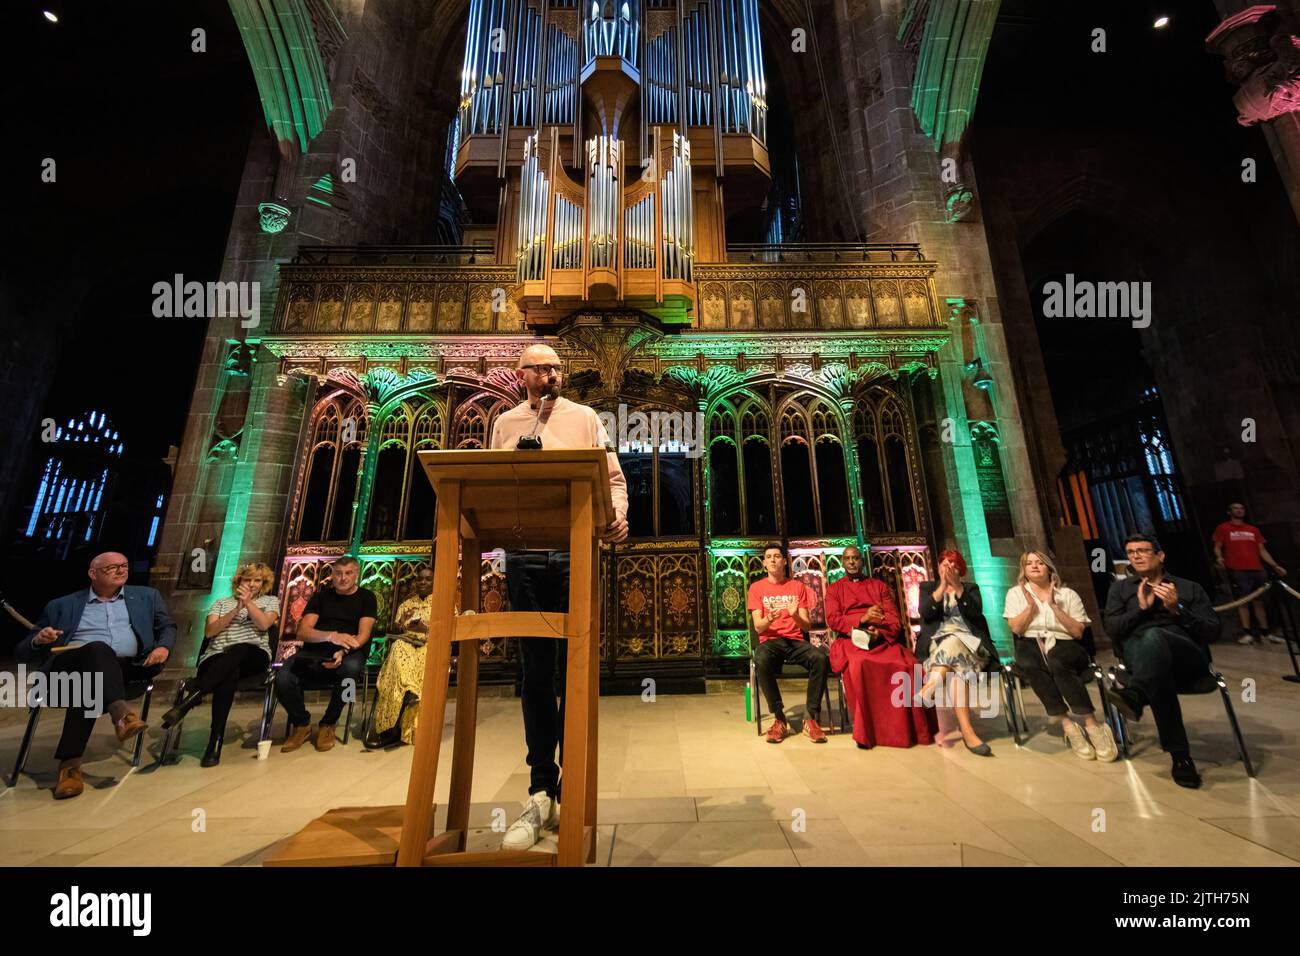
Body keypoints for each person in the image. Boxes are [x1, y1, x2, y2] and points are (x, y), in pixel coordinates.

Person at [490, 343, 628, 851]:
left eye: (556, 368)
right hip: (523, 554)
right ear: (521, 373)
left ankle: (571, 784)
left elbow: (611, 476)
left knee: (575, 666)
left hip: (573, 551)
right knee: (534, 672)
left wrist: (616, 513)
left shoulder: (586, 417)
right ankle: (540, 785)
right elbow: (489, 484)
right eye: (540, 368)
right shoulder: (505, 424)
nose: (550, 375)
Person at [14, 552, 174, 799]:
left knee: (89, 682)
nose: (121, 570)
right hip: (66, 669)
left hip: (125, 671)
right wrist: (38, 639)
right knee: (96, 650)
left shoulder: (146, 597)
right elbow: (23, 652)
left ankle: (69, 766)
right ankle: (121, 715)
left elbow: (167, 627)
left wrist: (163, 647)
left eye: (124, 566)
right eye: (113, 567)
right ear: (93, 573)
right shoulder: (62, 605)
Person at [1102, 533, 1220, 788]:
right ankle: (1181, 758)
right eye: (1132, 552)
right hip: (1139, 656)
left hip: (1186, 656)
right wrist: (1140, 610)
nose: (1137, 556)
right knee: (1157, 673)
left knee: (1156, 640)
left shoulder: (1188, 587)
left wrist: (1178, 609)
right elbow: (1111, 629)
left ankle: (1136, 695)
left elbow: (1212, 631)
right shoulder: (1120, 590)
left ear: (1160, 555)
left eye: (1143, 550)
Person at [160, 562, 279, 766]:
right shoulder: (221, 603)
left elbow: (264, 624)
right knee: (228, 673)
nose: (251, 584)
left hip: (253, 656)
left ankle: (190, 701)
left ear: (264, 583)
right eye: (247, 579)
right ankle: (214, 741)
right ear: (238, 581)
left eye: (257, 580)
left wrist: (249, 604)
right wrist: (236, 609)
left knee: (239, 649)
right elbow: (210, 632)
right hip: (217, 656)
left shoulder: (270, 601)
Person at [1003, 550, 1117, 761]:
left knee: (1057, 660)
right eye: (1029, 563)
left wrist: (1054, 607)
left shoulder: (1068, 595)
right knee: (1029, 662)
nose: (1035, 566)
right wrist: (1030, 607)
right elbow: (1017, 629)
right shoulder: (1015, 594)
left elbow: (1077, 632)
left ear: (1049, 568)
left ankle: (1092, 725)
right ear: (1024, 570)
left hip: (1065, 643)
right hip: (1031, 642)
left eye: (1040, 562)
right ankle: (1068, 725)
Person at [825, 545, 934, 748]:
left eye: (855, 558)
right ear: (842, 561)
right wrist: (862, 619)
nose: (851, 562)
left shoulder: (879, 587)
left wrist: (879, 632)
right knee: (860, 664)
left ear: (862, 561)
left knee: (908, 666)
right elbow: (832, 620)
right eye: (847, 558)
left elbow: (893, 617)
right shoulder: (834, 589)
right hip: (851, 639)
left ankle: (912, 730)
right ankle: (867, 732)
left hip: (881, 638)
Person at [274, 555, 376, 753]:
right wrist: (331, 636)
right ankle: (301, 723)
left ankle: (329, 723)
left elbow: (364, 634)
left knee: (351, 675)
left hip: (350, 651)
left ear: (356, 575)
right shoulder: (321, 597)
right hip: (316, 649)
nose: (343, 578)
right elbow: (302, 632)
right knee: (283, 678)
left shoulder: (366, 597)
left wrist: (343, 650)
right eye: (338, 573)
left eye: (348, 573)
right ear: (332, 575)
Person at [914, 549, 998, 756]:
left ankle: (929, 688)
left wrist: (958, 587)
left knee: (956, 642)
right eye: (944, 565)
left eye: (952, 565)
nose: (947, 568)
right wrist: (943, 587)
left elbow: (975, 613)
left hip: (971, 645)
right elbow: (924, 612)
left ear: (960, 569)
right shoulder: (928, 588)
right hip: (938, 643)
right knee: (958, 663)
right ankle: (968, 732)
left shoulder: (970, 589)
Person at [748, 542, 826, 745]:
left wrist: (794, 616)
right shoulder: (756, 588)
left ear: (784, 561)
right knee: (760, 658)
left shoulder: (798, 587)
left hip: (794, 641)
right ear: (764, 563)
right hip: (771, 642)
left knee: (819, 658)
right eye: (769, 557)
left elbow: (807, 626)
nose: (773, 559)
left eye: (777, 556)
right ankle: (779, 718)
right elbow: (758, 627)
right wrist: (770, 619)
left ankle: (810, 718)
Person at [365, 565, 433, 749]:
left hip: (431, 646)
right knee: (397, 649)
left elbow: (451, 632)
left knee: (425, 657)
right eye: (420, 579)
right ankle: (389, 727)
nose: (423, 582)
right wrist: (402, 625)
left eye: (428, 579)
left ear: (435, 582)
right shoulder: (406, 604)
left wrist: (425, 629)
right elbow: (395, 628)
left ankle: (409, 700)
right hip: (407, 643)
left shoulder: (443, 604)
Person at [1212, 503, 1287, 644]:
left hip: (1257, 569)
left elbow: (1262, 550)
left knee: (1259, 601)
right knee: (1243, 600)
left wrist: (1275, 565)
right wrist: (1219, 557)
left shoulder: (1253, 530)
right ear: (1229, 511)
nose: (1239, 511)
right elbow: (1218, 546)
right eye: (1236, 508)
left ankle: (1265, 632)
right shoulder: (1223, 528)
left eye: (1242, 509)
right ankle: (1247, 632)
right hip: (1238, 569)